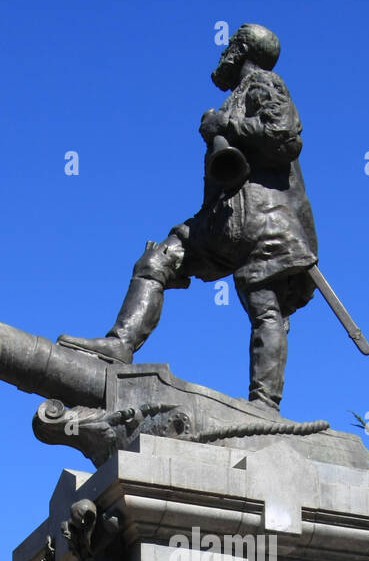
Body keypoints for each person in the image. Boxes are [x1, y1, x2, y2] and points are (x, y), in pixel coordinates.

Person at [61, 23, 318, 412]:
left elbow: (285, 136)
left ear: (242, 48)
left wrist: (224, 126)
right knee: (159, 259)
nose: (225, 52)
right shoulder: (238, 95)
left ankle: (264, 405)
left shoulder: (265, 83)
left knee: (264, 306)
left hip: (261, 223)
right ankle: (120, 343)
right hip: (223, 219)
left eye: (231, 44)